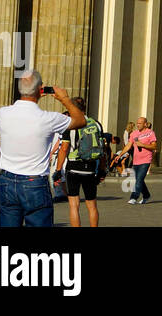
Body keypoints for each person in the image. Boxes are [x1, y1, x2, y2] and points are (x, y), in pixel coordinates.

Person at [0, 72, 85, 227]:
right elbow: (80, 120)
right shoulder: (48, 118)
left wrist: (34, 93)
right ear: (40, 89)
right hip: (34, 182)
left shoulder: (2, 113)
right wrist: (64, 99)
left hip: (7, 180)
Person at [55, 97, 105, 227]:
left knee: (74, 205)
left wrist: (58, 169)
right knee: (92, 204)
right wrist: (102, 169)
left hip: (73, 167)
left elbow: (64, 148)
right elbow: (102, 148)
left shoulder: (70, 125)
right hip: (91, 167)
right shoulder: (96, 124)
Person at [114, 116, 156, 205]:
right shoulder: (134, 134)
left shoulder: (150, 133)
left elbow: (154, 146)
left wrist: (143, 145)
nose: (138, 125)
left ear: (145, 124)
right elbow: (128, 145)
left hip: (146, 160)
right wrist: (120, 155)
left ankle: (133, 197)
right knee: (138, 180)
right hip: (136, 160)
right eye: (137, 123)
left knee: (139, 180)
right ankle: (146, 195)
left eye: (140, 123)